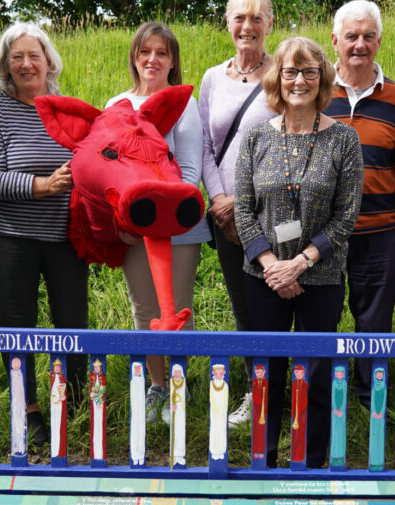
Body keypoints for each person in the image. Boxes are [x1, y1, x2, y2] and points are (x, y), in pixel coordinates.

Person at [234, 36, 364, 468]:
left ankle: (310, 462)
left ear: (323, 78)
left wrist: (301, 263)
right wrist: (273, 266)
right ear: (278, 78)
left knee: (317, 373)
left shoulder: (344, 139)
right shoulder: (255, 138)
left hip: (321, 277)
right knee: (266, 372)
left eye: (310, 71)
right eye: (290, 71)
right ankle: (265, 459)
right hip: (264, 278)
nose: (299, 81)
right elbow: (243, 212)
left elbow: (346, 215)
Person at [0, 23, 85, 449]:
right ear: (5, 66)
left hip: (66, 237)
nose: (25, 64)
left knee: (71, 321)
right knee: (18, 324)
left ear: (48, 62)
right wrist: (43, 186)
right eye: (16, 57)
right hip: (11, 237)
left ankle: (74, 401)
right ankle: (29, 408)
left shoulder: (66, 109)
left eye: (33, 55)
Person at [106, 22, 207, 425]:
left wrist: (163, 218)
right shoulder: (116, 104)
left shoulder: (184, 103)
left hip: (178, 227)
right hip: (133, 230)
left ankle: (179, 385)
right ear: (134, 57)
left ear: (173, 62)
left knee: (177, 306)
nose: (152, 59)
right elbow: (108, 168)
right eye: (145, 51)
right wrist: (122, 218)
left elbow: (190, 171)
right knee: (145, 307)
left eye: (162, 53)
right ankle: (157, 385)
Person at [324, 0, 395, 410]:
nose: (360, 44)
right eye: (352, 36)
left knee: (374, 322)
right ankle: (319, 396)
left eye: (368, 36)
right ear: (335, 40)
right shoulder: (314, 90)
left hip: (378, 229)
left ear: (379, 41)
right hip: (321, 233)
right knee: (320, 319)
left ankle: (371, 402)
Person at [199, 0, 279, 427]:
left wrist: (243, 204)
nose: (248, 26)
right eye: (239, 18)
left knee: (277, 305)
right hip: (224, 218)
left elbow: (291, 143)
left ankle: (286, 392)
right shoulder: (213, 78)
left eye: (256, 18)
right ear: (227, 23)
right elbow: (205, 147)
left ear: (270, 23)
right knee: (244, 308)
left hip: (273, 214)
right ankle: (257, 393)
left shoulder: (283, 71)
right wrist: (218, 200)